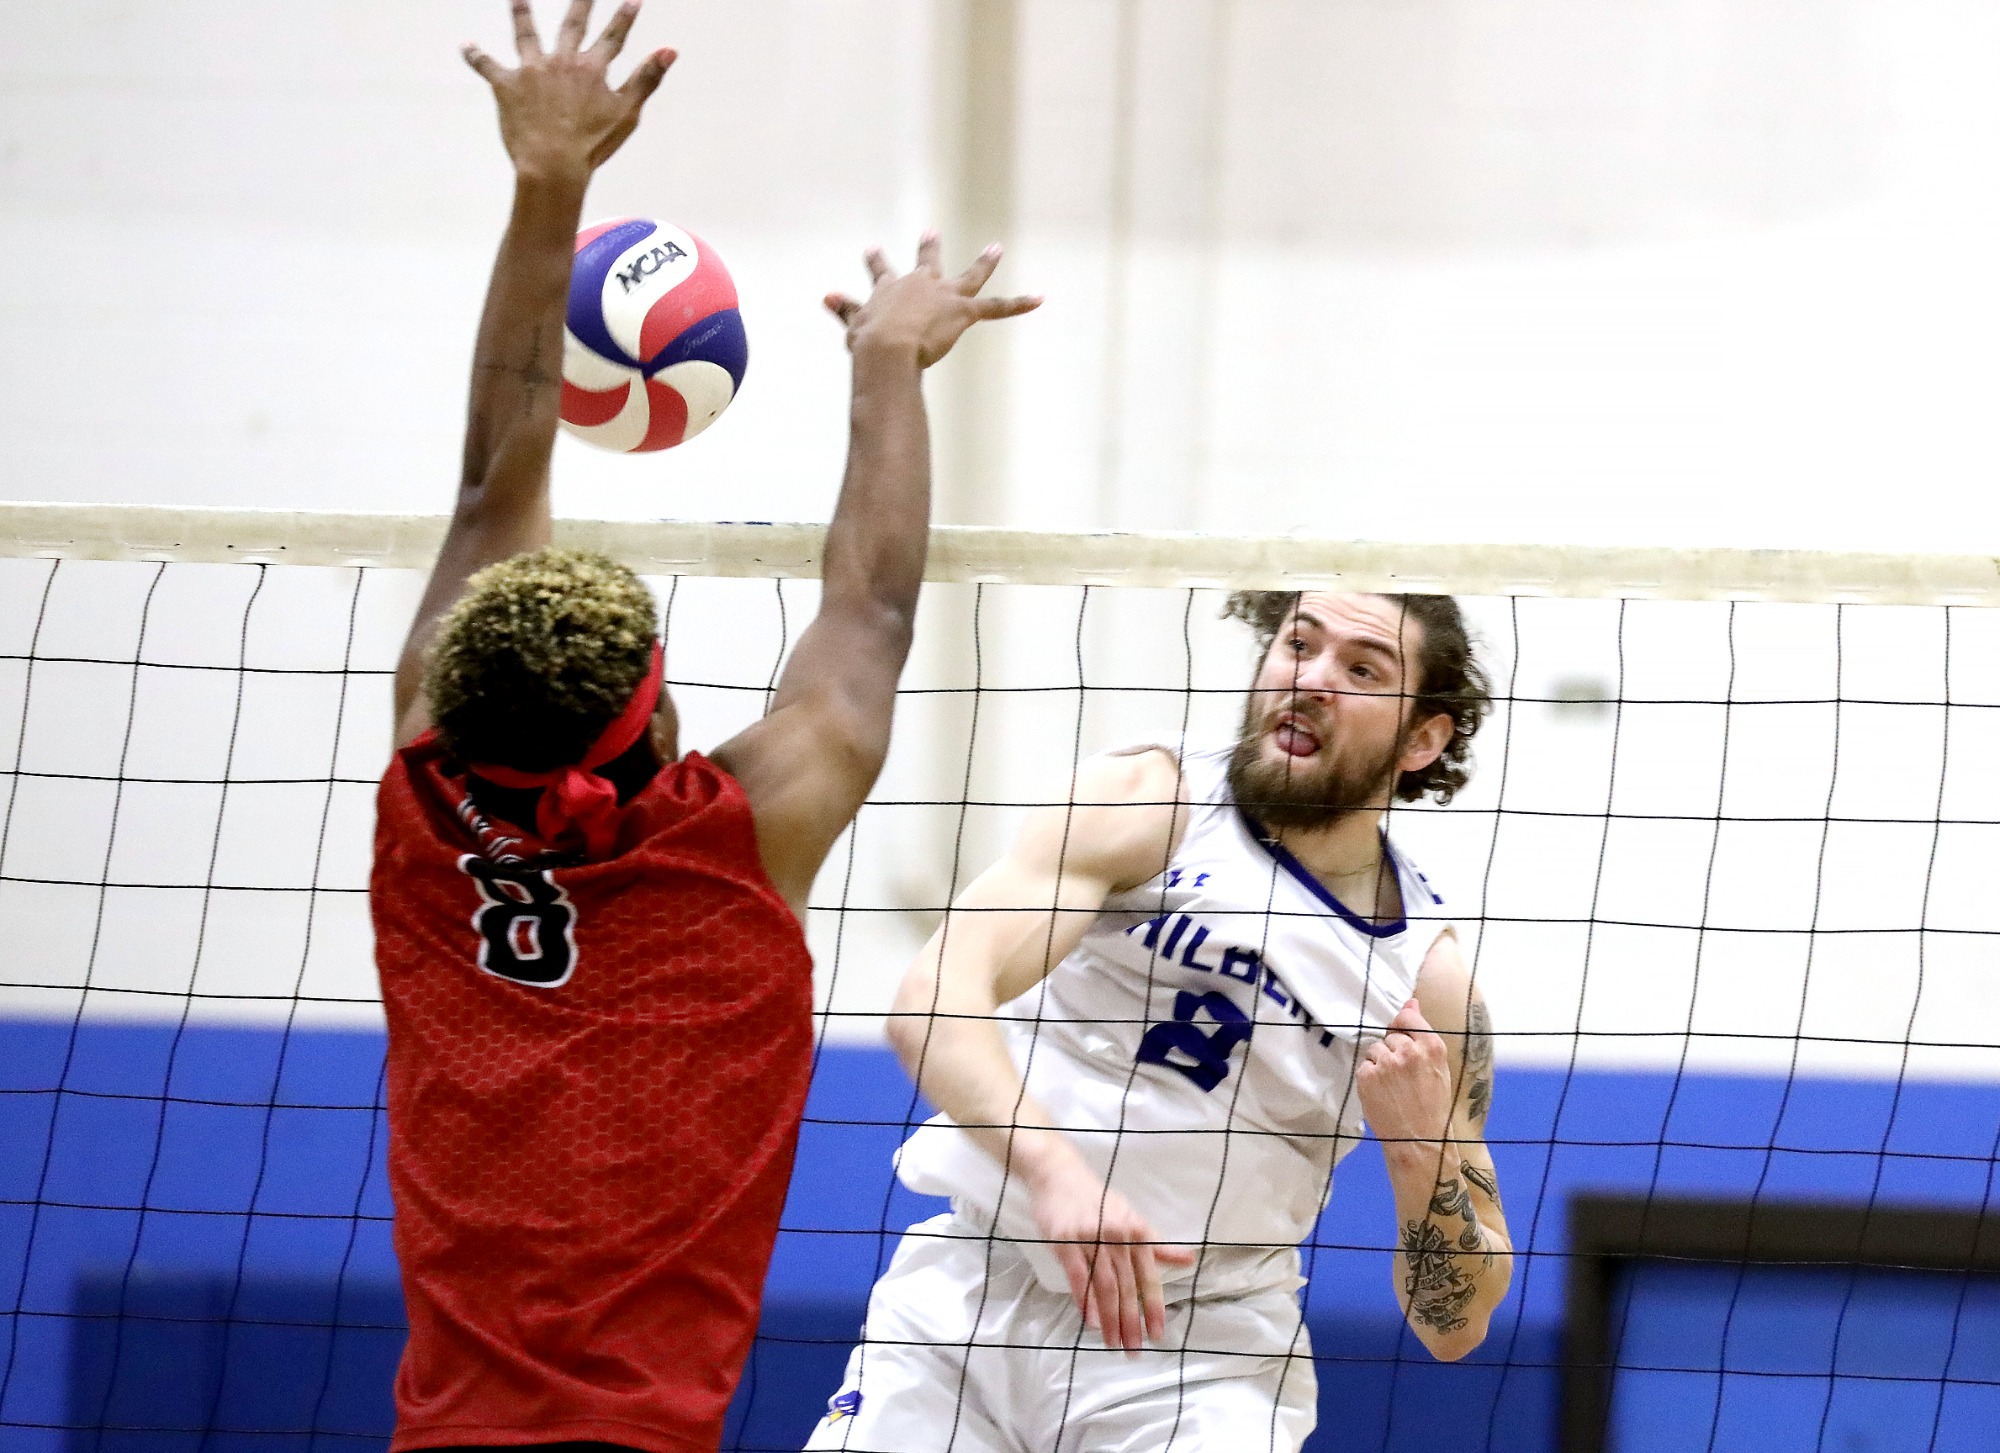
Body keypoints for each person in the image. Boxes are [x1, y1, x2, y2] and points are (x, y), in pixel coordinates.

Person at [368, 3, 1039, 1450]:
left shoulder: (427, 811)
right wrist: (885, 365)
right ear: (658, 716)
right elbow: (872, 609)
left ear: (456, 697)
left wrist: (547, 182)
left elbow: (494, 488)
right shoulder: (731, 849)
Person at [807, 591, 1511, 1452]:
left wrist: (1415, 1152)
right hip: (970, 1295)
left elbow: (1456, 1325)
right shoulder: (1150, 800)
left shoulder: (1422, 980)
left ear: (1422, 739)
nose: (1311, 678)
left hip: (1197, 1355)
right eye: (1298, 644)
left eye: (1362, 669)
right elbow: (933, 999)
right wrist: (1055, 1171)